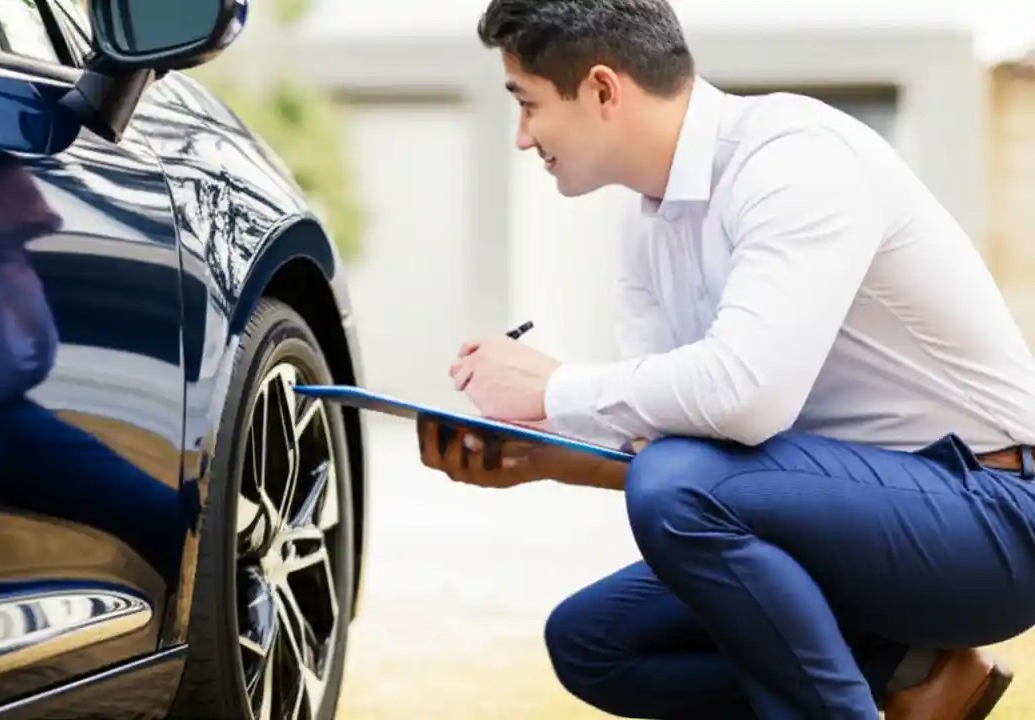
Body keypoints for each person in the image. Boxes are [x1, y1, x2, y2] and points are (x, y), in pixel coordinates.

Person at [416, 1, 1035, 718]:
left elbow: (746, 399)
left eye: (527, 105)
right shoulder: (647, 226)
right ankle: (912, 669)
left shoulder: (793, 161)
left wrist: (554, 387)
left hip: (993, 519)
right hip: (854, 521)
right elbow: (676, 448)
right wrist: (540, 456)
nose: (522, 138)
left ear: (603, 89)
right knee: (594, 641)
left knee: (677, 485)